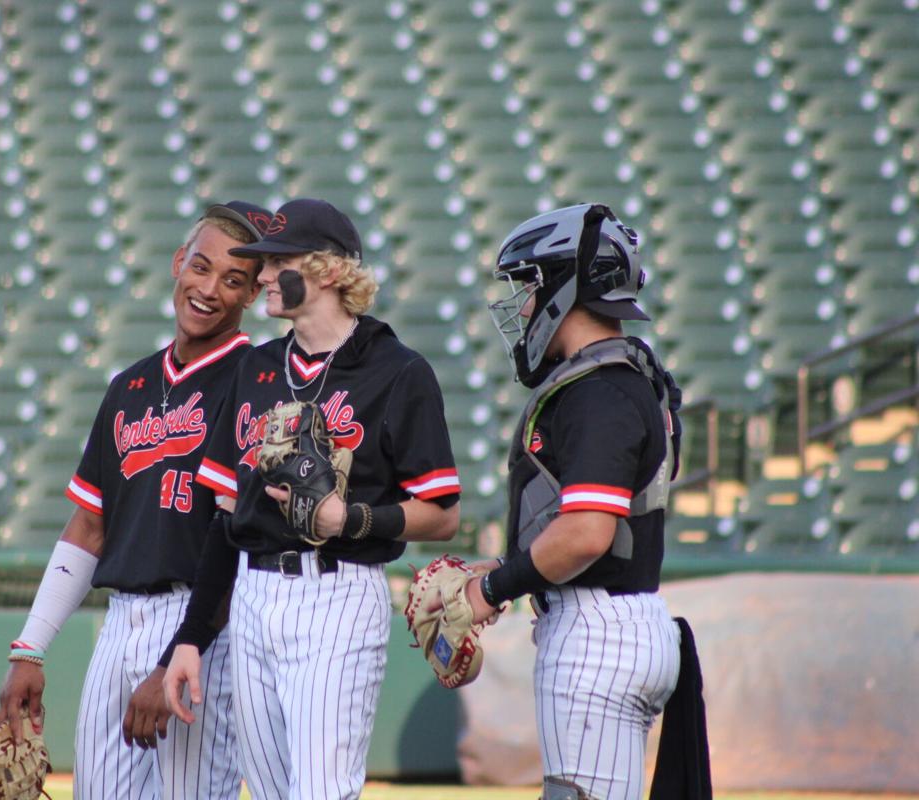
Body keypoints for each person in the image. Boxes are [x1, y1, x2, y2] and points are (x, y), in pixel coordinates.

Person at [157, 198, 462, 800]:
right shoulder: (256, 367)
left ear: (328, 270)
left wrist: (351, 518)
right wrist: (190, 637)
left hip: (335, 592)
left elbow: (443, 513)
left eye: (279, 262)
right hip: (252, 595)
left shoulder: (397, 370)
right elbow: (226, 515)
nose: (264, 275)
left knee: (321, 790)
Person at [0, 200, 273, 800]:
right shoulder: (129, 386)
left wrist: (176, 653)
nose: (209, 290)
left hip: (205, 626)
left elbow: (239, 542)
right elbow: (88, 526)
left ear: (253, 294)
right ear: (178, 263)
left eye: (233, 280)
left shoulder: (256, 380)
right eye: (200, 267)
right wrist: (31, 649)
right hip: (120, 621)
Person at [463, 203, 688, 800]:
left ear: (564, 283)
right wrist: (507, 566)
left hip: (596, 630)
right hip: (622, 618)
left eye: (530, 287)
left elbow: (588, 532)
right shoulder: (624, 377)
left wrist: (492, 589)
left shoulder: (598, 389)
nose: (524, 307)